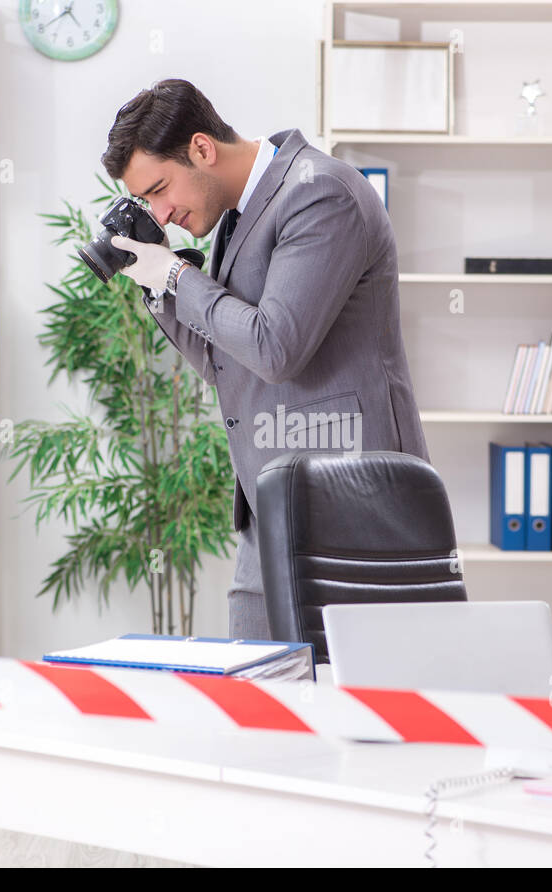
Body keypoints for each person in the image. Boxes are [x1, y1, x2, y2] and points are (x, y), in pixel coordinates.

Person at [101, 78, 428, 641]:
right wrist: (157, 283)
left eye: (159, 188)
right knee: (261, 706)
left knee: (368, 707)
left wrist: (180, 275)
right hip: (269, 507)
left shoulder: (321, 192)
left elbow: (275, 347)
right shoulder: (232, 216)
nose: (161, 211)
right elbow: (223, 361)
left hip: (355, 501)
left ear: (202, 148)